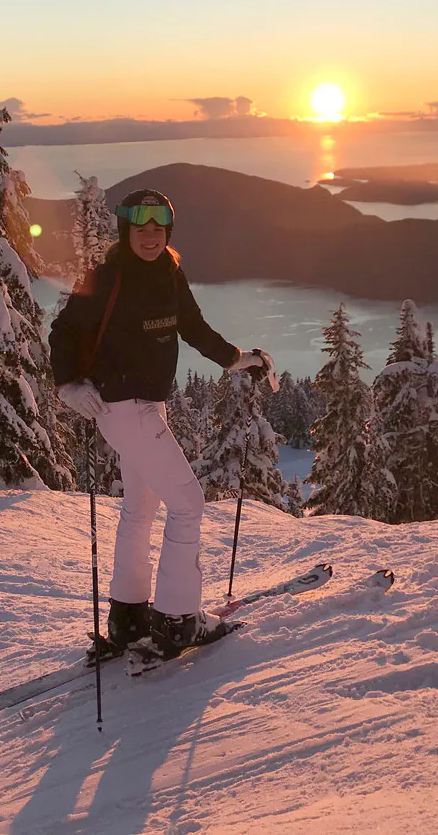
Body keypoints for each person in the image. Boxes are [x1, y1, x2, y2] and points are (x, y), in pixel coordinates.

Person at [50, 187, 269, 655]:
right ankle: (176, 619)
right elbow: (64, 329)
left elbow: (192, 326)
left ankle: (129, 615)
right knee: (188, 502)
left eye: (158, 228)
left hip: (147, 405)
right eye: (140, 228)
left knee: (141, 506)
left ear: (166, 231)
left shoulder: (170, 272)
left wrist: (238, 359)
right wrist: (67, 384)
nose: (150, 237)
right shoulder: (107, 277)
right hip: (121, 406)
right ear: (126, 231)